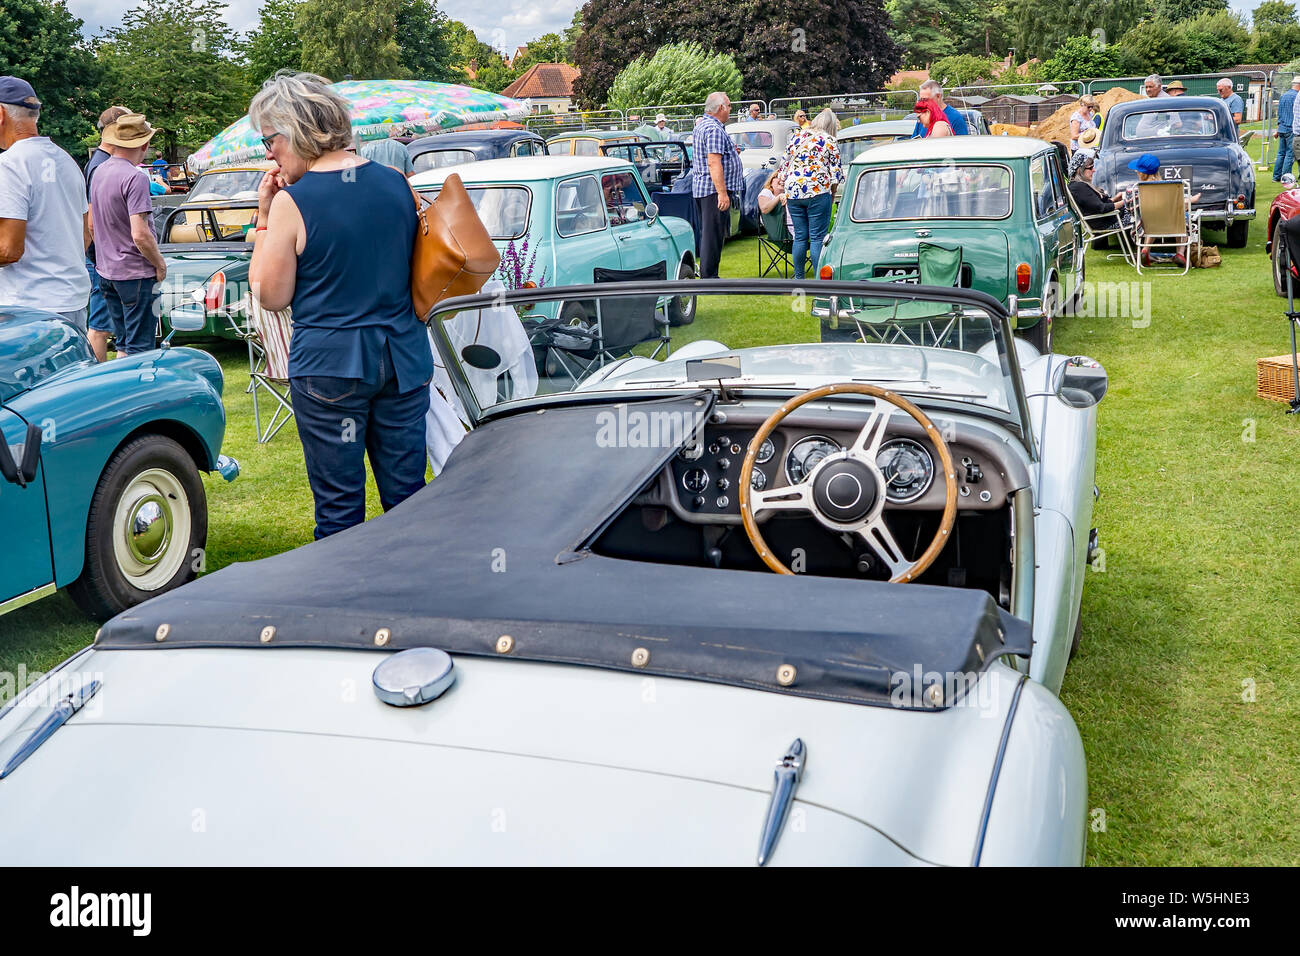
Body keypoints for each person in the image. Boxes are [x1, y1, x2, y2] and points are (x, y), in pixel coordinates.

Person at [247, 71, 432, 540]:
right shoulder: (395, 182)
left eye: (269, 140)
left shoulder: (293, 201)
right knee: (409, 496)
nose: (269, 152)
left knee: (338, 509)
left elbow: (270, 295)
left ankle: (343, 607)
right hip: (403, 358)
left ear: (294, 131)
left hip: (332, 367)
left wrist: (265, 214)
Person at [0, 77, 92, 330]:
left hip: (29, 306)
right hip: (70, 299)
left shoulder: (10, 164)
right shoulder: (66, 160)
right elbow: (85, 234)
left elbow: (9, 250)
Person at [89, 113, 167, 355]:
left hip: (107, 272)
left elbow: (91, 225)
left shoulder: (98, 171)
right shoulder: (135, 177)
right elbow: (140, 234)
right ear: (143, 145)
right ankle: (139, 392)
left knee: (123, 344)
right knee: (139, 348)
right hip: (135, 273)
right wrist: (160, 263)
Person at [85, 105, 131, 361]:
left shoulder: (100, 163)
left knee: (109, 328)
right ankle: (99, 383)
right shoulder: (101, 165)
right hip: (103, 261)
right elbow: (94, 220)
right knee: (100, 328)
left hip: (103, 259)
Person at [781, 108, 843, 279]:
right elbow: (836, 174)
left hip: (794, 192)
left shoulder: (796, 137)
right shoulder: (829, 140)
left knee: (800, 237)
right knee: (817, 238)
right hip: (817, 190)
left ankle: (799, 278)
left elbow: (783, 165)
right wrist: (832, 194)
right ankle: (818, 280)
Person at [689, 91, 743, 279]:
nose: (730, 110)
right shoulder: (713, 129)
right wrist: (722, 193)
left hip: (704, 188)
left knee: (710, 233)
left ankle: (709, 274)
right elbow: (713, 162)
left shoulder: (704, 125)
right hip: (712, 190)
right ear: (720, 108)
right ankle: (709, 278)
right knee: (712, 235)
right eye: (728, 106)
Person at [1127, 153, 1200, 267]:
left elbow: (1130, 207)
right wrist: (1189, 201)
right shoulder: (1168, 188)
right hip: (1173, 225)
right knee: (1182, 215)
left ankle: (1145, 250)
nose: (1136, 171)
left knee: (1152, 217)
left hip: (1147, 226)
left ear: (1141, 173)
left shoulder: (1135, 189)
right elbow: (1174, 204)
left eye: (1137, 170)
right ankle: (1180, 253)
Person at [1066, 150, 1125, 237]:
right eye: (1090, 168)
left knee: (1137, 211)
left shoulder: (1077, 186)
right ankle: (1145, 246)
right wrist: (1125, 202)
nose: (1094, 170)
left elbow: (1095, 205)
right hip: (1105, 223)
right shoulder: (1079, 187)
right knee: (1140, 213)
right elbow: (1102, 208)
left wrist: (1115, 198)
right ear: (1079, 170)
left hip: (1104, 220)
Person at [1275, 77, 1300, 183]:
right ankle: (1286, 178)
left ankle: (1276, 176)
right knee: (1289, 155)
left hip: (1282, 127)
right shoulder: (1296, 96)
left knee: (1281, 153)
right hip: (1291, 129)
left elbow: (1279, 113)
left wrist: (1278, 127)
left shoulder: (1284, 95)